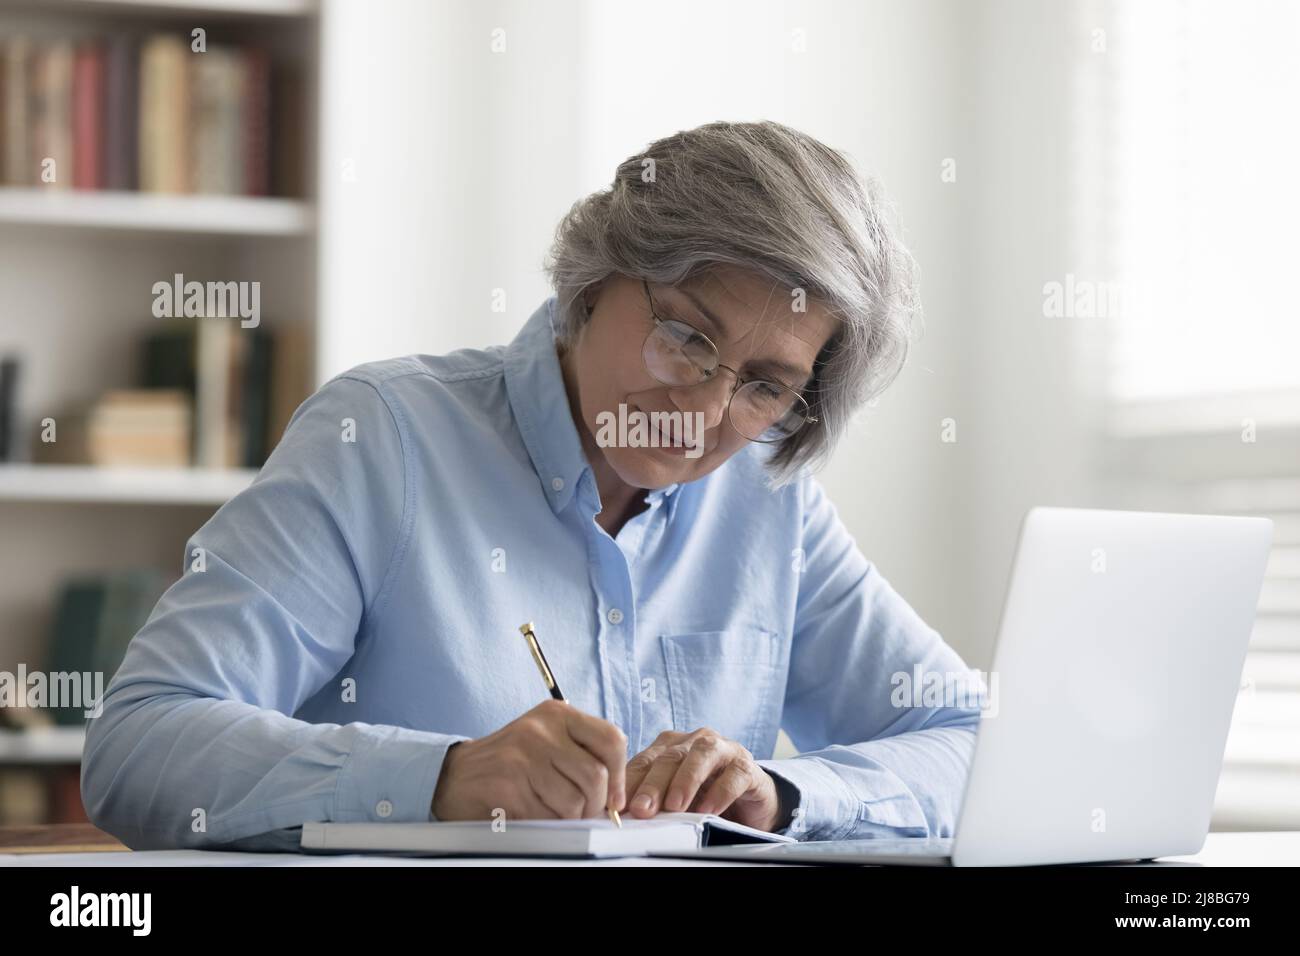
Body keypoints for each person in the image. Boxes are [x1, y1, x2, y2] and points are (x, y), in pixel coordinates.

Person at [82, 120, 983, 851]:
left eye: (765, 386)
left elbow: (976, 743)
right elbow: (141, 746)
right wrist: (442, 778)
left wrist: (779, 794)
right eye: (686, 337)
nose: (706, 408)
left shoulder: (767, 500)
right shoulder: (383, 440)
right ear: (593, 283)